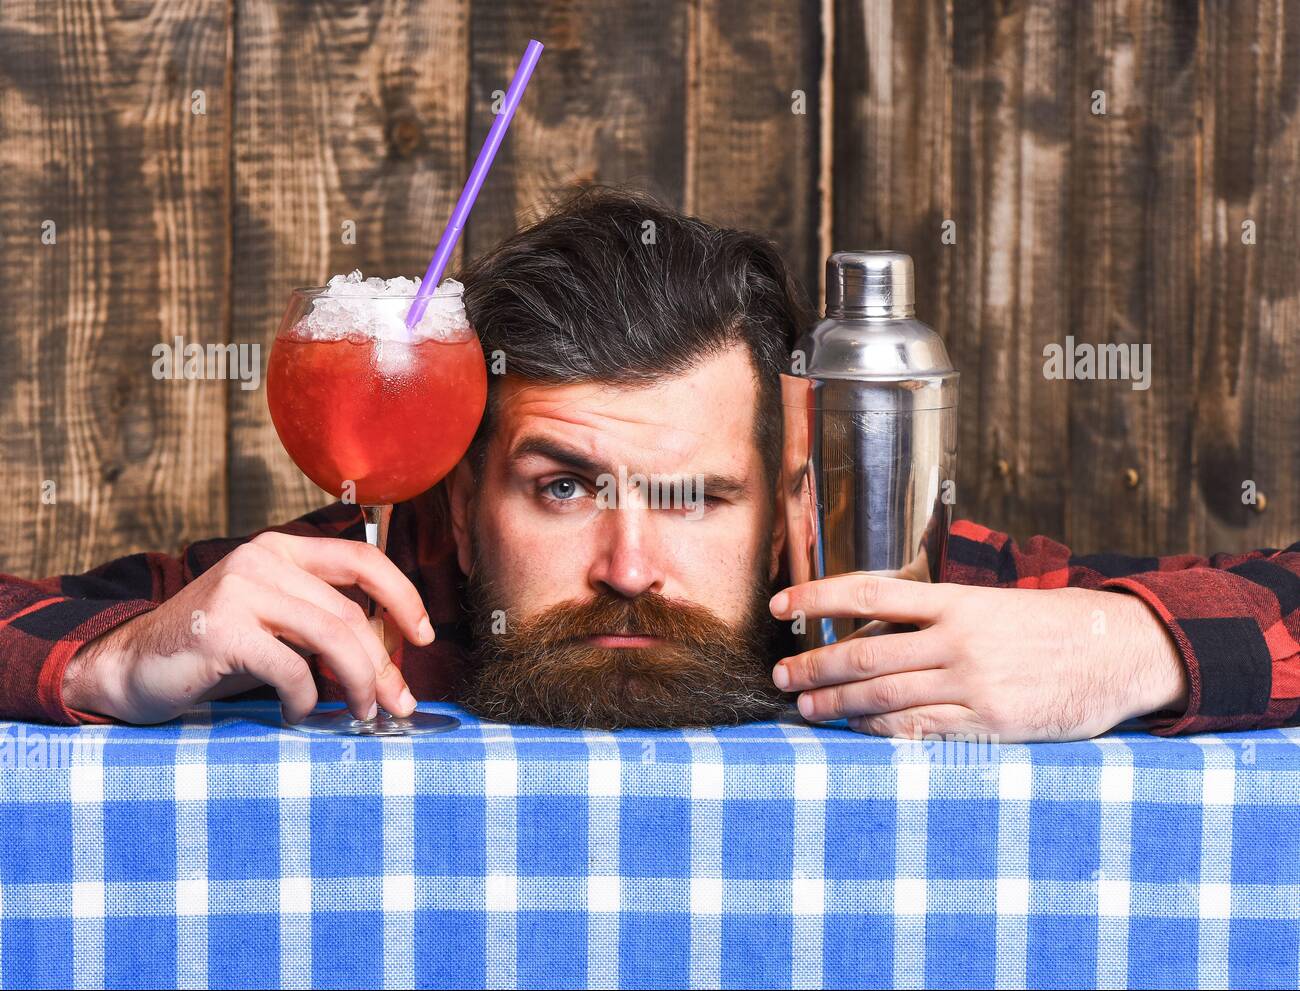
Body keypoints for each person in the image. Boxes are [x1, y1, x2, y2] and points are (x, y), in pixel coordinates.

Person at [2, 188, 1296, 740]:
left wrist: (1141, 648)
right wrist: (110, 661)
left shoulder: (886, 586)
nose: (631, 564)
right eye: (562, 487)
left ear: (797, 497)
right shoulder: (361, 591)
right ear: (462, 495)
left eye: (696, 495)